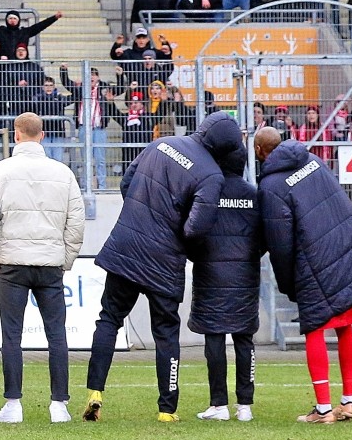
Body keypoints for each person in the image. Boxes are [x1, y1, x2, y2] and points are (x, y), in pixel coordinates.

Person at [84, 111, 240, 423]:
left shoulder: (160, 144)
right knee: (166, 334)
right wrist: (174, 235)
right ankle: (166, 410)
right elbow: (197, 227)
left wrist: (140, 217)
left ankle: (94, 393)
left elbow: (127, 183)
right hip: (164, 262)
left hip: (126, 249)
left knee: (109, 319)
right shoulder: (211, 175)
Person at [254, 127, 352, 424]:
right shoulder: (314, 161)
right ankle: (348, 402)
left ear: (259, 151)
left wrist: (287, 281)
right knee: (345, 327)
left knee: (315, 328)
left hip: (313, 261)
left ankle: (323, 409)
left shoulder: (271, 183)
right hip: (345, 251)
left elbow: (279, 240)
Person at [0, 113, 84, 425]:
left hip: (12, 262)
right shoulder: (62, 173)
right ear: (42, 135)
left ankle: (13, 404)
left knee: (11, 334)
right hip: (49, 263)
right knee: (56, 334)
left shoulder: (0, 172)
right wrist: (65, 259)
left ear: (17, 135)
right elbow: (75, 223)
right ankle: (59, 405)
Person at [186, 142, 263, 422]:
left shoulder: (208, 193)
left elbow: (192, 230)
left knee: (214, 338)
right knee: (244, 338)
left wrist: (200, 256)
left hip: (210, 273)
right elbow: (264, 237)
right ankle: (245, 405)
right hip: (245, 275)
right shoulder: (254, 196)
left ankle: (218, 404)